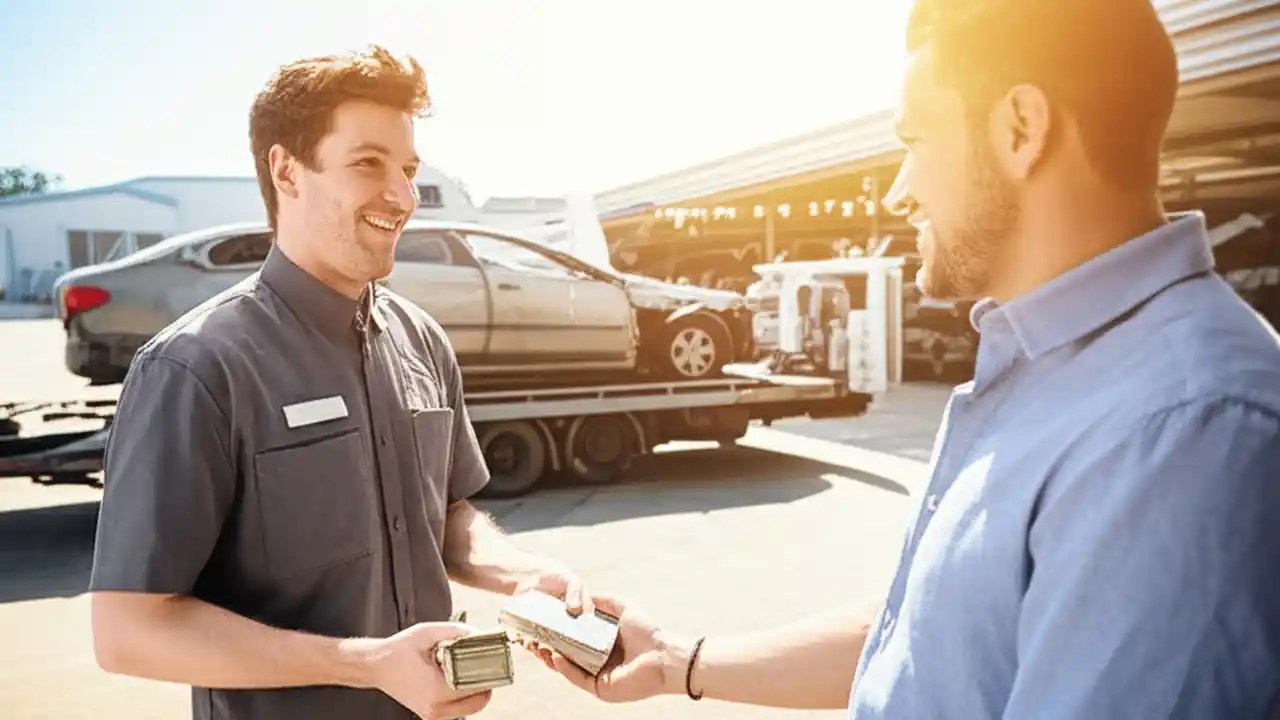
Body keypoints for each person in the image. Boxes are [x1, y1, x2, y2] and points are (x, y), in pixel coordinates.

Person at [535, 1, 1280, 717]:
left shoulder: (1186, 430)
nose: (898, 190)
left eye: (915, 141)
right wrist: (675, 661)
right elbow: (930, 636)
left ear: (1021, 129)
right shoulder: (1059, 370)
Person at [88, 46, 588, 720]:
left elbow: (447, 516)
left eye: (408, 170)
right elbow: (128, 631)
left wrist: (522, 574)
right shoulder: (195, 369)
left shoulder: (421, 341)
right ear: (286, 170)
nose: (403, 197)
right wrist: (363, 666)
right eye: (367, 164)